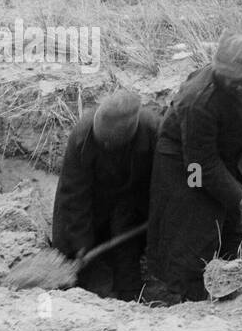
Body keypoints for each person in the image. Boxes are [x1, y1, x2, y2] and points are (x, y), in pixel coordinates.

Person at [146, 31, 242, 303]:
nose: (241, 87)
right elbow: (202, 164)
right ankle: (185, 291)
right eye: (234, 83)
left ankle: (228, 277)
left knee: (235, 209)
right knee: (194, 215)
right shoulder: (199, 100)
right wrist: (238, 202)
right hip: (184, 157)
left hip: (227, 141)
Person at [51, 90, 161, 301]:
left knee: (125, 240)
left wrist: (159, 215)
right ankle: (79, 288)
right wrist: (81, 244)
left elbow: (168, 180)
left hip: (134, 196)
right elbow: (73, 195)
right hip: (95, 195)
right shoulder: (82, 137)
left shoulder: (153, 129)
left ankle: (130, 296)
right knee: (68, 243)